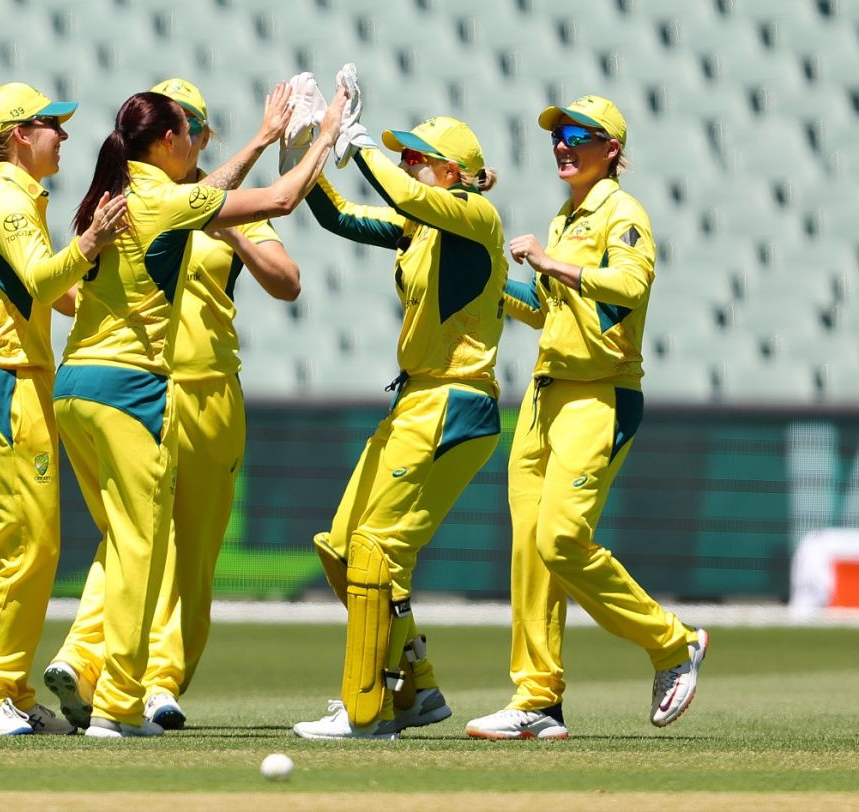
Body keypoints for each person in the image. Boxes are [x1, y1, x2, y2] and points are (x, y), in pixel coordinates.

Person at [46, 84, 345, 738]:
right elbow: (281, 198)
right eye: (185, 127)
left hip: (81, 385)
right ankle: (119, 700)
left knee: (131, 542)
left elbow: (220, 205)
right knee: (141, 550)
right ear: (167, 140)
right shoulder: (167, 200)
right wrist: (324, 136)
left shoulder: (114, 193)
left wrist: (261, 142)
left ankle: (122, 678)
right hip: (134, 389)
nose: (194, 137)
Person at [464, 95, 707, 741]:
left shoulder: (622, 213)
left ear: (612, 148)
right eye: (557, 135)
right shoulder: (566, 216)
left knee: (561, 539)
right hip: (544, 398)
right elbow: (548, 310)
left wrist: (552, 262)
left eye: (577, 134)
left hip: (600, 395)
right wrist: (490, 282)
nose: (562, 145)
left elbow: (631, 287)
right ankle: (537, 699)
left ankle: (673, 642)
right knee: (529, 551)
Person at [282, 67, 509, 740]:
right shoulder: (422, 225)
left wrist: (357, 143)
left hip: (453, 401)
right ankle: (415, 687)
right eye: (404, 154)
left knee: (377, 550)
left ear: (454, 173)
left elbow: (405, 194)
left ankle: (365, 708)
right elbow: (340, 216)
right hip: (415, 402)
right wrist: (306, 147)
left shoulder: (474, 216)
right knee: (343, 546)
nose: (408, 163)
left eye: (418, 156)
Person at [0, 83, 127, 736]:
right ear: (20, 134)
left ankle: (11, 694)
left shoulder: (16, 199)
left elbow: (55, 293)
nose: (64, 137)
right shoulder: (6, 200)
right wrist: (92, 241)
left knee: (37, 548)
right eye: (53, 125)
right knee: (24, 548)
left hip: (15, 381)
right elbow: (46, 280)